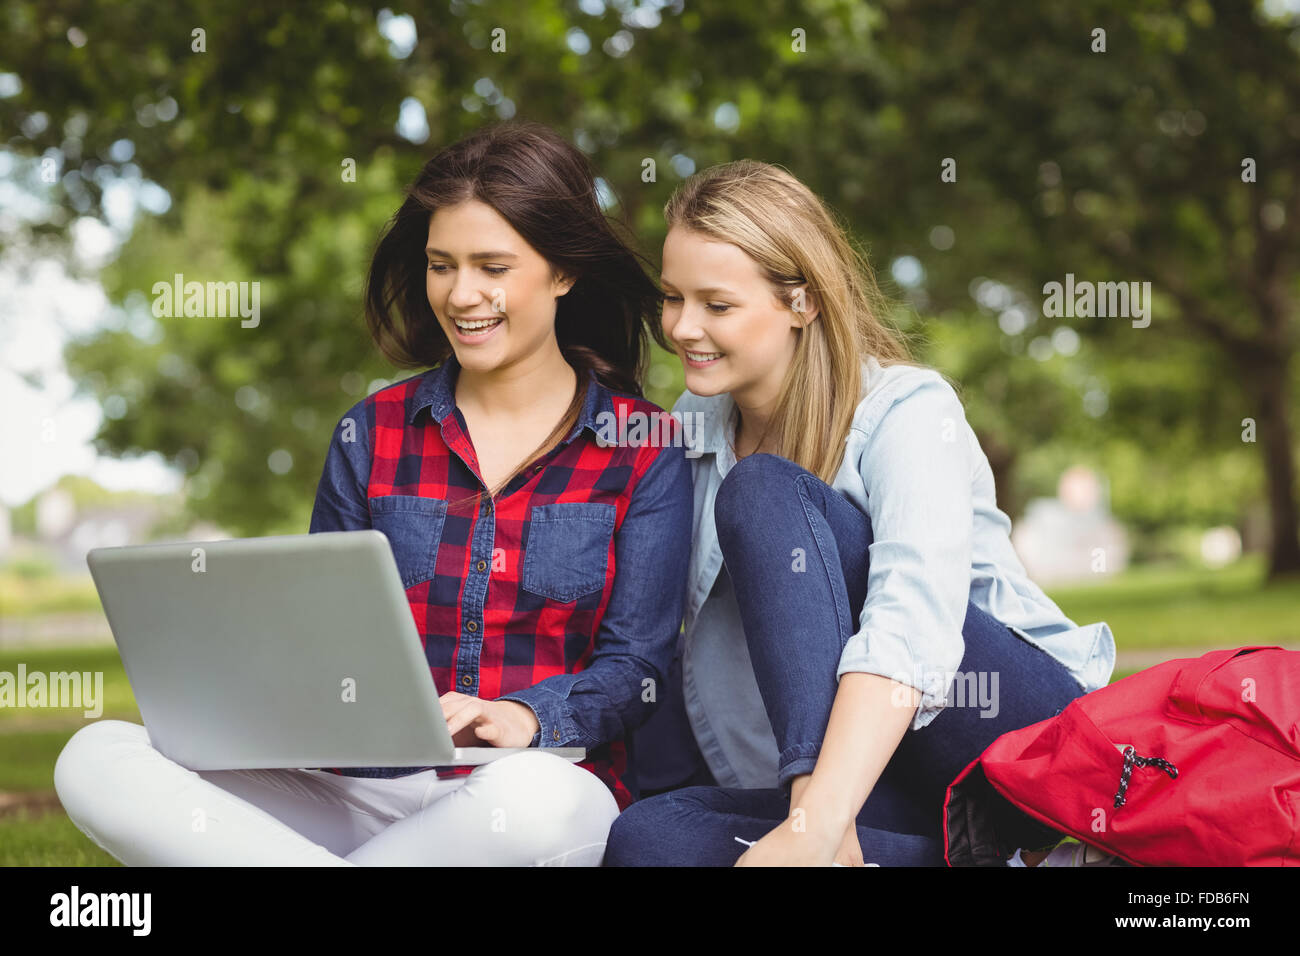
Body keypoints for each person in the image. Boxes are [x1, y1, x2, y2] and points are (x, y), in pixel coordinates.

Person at [54, 122, 693, 866]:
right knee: (96, 755)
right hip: (351, 793)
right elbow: (322, 641)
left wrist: (525, 713)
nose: (462, 295)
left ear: (562, 272)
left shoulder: (643, 446)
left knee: (545, 807)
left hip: (529, 788)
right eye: (441, 264)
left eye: (493, 266)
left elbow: (635, 668)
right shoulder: (372, 432)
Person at [603, 160, 1116, 866]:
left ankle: (848, 835)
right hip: (867, 783)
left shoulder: (906, 411)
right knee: (646, 840)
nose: (683, 328)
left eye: (716, 305)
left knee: (761, 493)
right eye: (671, 298)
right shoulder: (691, 426)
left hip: (1008, 738)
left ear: (802, 302)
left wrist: (816, 817)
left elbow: (913, 624)